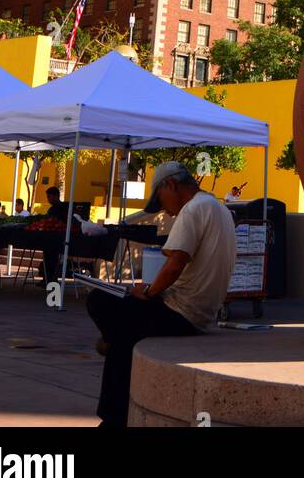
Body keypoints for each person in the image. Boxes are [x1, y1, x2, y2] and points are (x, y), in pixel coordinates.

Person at [87, 161, 237, 428]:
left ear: (171, 185)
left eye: (161, 199)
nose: (165, 210)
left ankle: (113, 418)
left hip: (181, 312)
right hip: (202, 313)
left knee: (99, 301)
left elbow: (175, 263)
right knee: (125, 338)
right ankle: (112, 348)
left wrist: (149, 292)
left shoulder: (193, 209)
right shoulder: (220, 208)